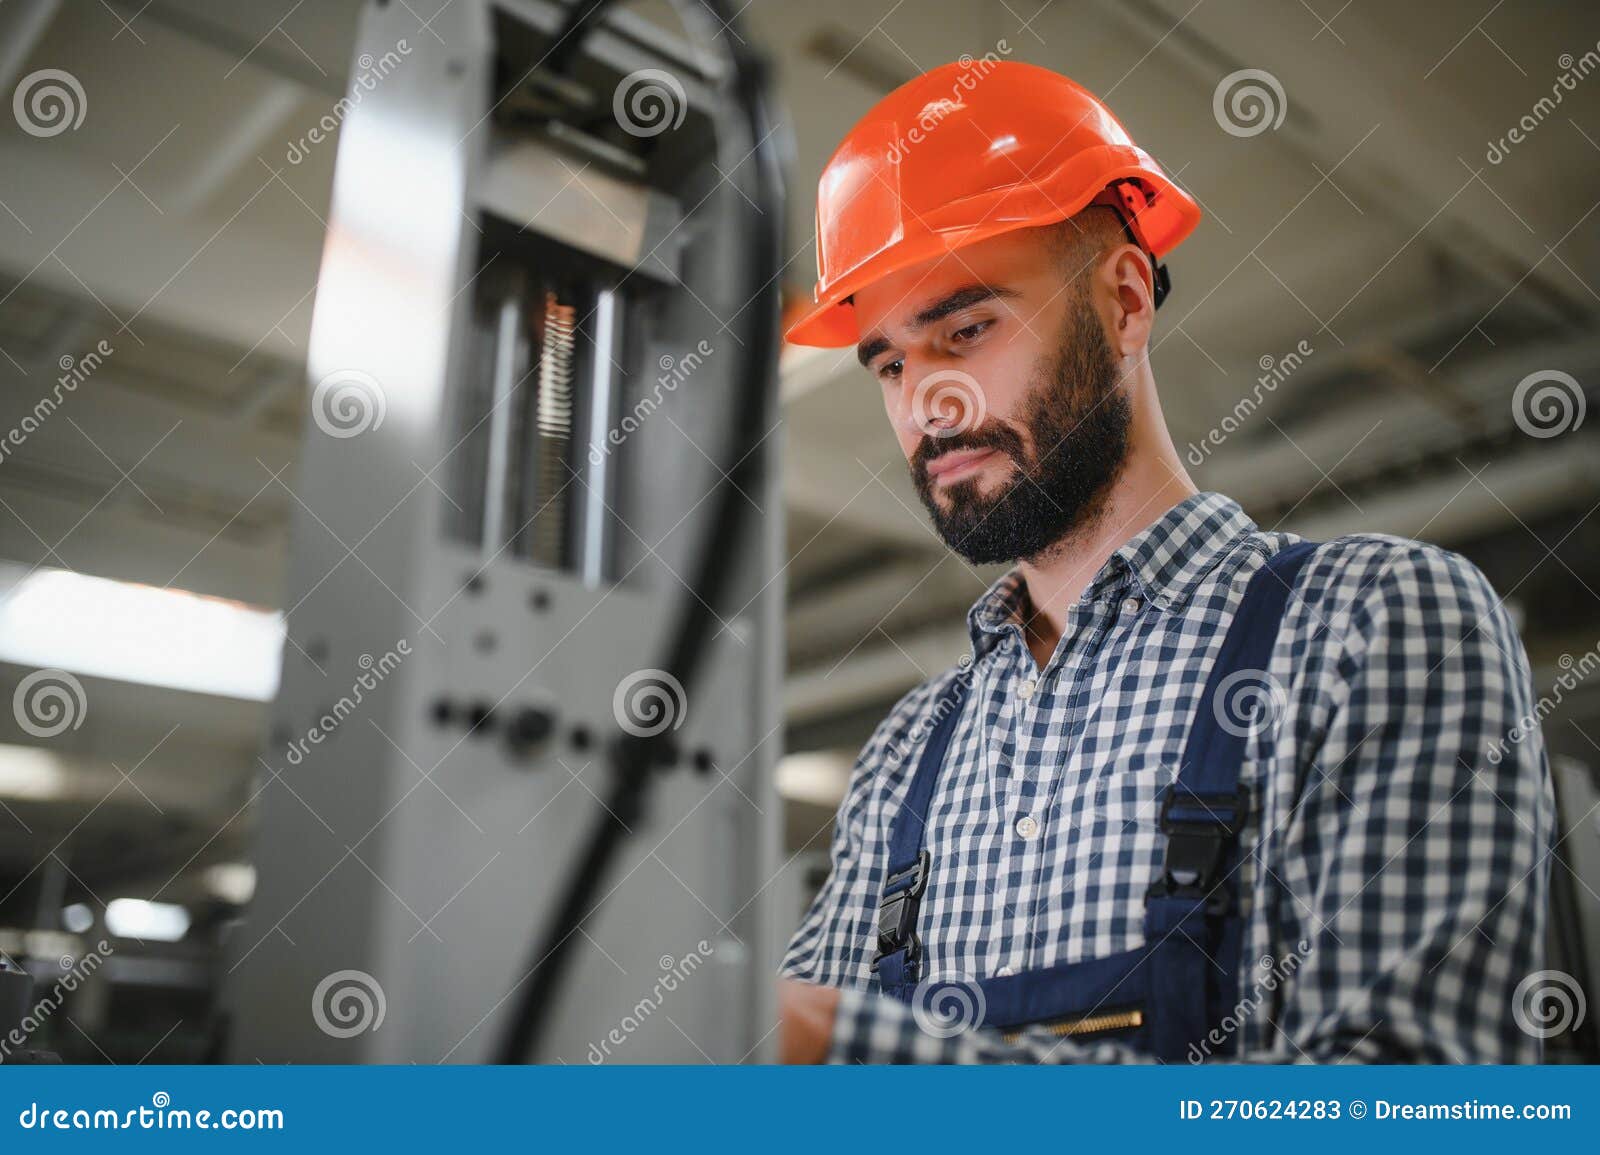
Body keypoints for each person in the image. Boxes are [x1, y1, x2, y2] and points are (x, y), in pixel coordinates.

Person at [775, 60, 1554, 1064]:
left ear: (1127, 302)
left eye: (965, 330)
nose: (926, 404)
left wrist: (856, 1050)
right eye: (888, 362)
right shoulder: (905, 761)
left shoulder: (1372, 625)